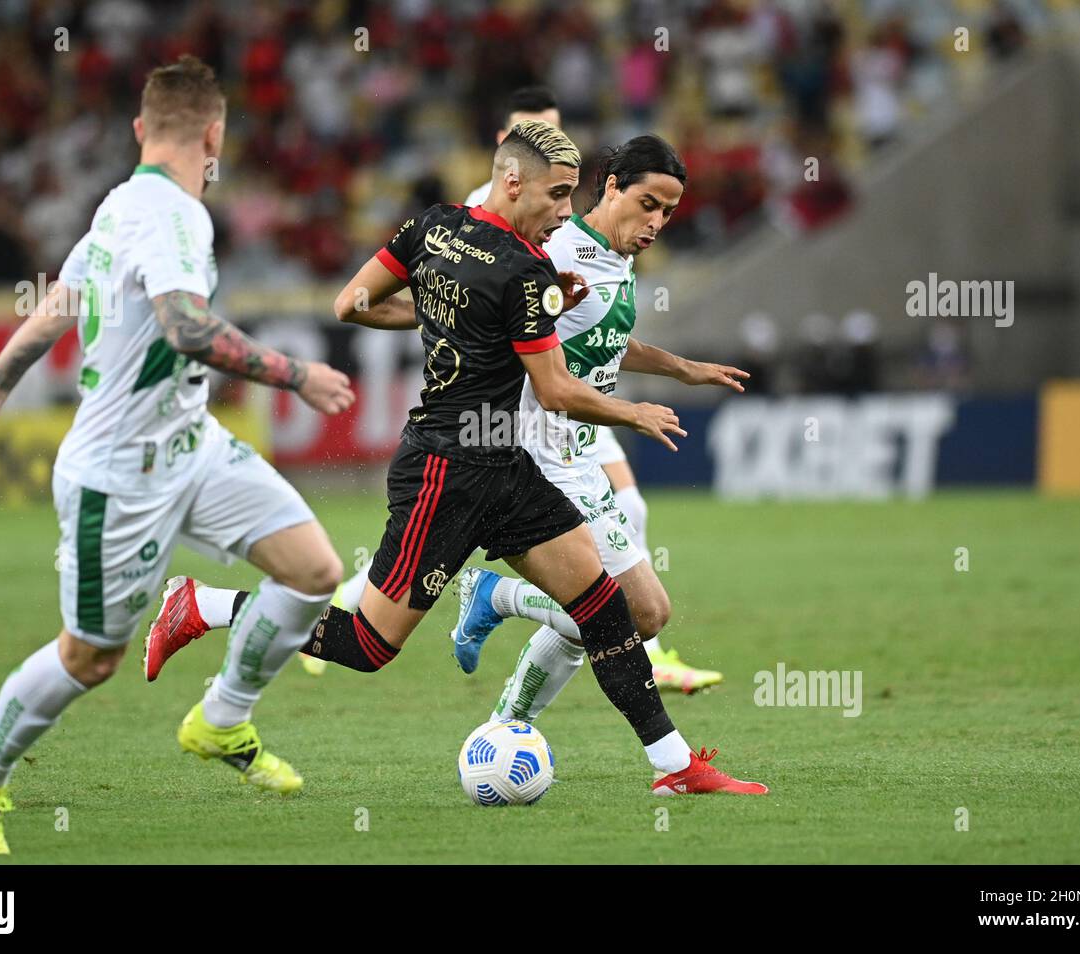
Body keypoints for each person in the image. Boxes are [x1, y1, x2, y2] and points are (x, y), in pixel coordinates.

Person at [147, 120, 769, 797]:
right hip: (446, 468)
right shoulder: (530, 270)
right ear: (513, 182)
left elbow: (351, 303)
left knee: (604, 607)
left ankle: (673, 766)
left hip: (504, 463)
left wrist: (452, 316)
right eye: (557, 195)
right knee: (366, 646)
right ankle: (203, 605)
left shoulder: (432, 226)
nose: (564, 211)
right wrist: (634, 411)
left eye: (570, 196)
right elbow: (556, 389)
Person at [0, 56, 355, 855]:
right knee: (90, 659)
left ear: (140, 130)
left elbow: (63, 296)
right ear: (215, 134)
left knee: (312, 571)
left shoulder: (120, 202)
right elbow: (187, 328)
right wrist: (298, 374)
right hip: (119, 476)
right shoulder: (175, 215)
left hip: (192, 446)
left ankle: (221, 720)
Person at [450, 135, 749, 727]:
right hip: (536, 452)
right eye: (648, 204)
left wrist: (682, 369)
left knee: (628, 614)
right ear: (611, 186)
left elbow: (607, 340)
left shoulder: (615, 258)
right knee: (638, 614)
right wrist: (633, 412)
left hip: (578, 453)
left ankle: (508, 725)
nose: (657, 221)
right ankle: (496, 597)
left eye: (668, 211)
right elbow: (520, 336)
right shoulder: (557, 249)